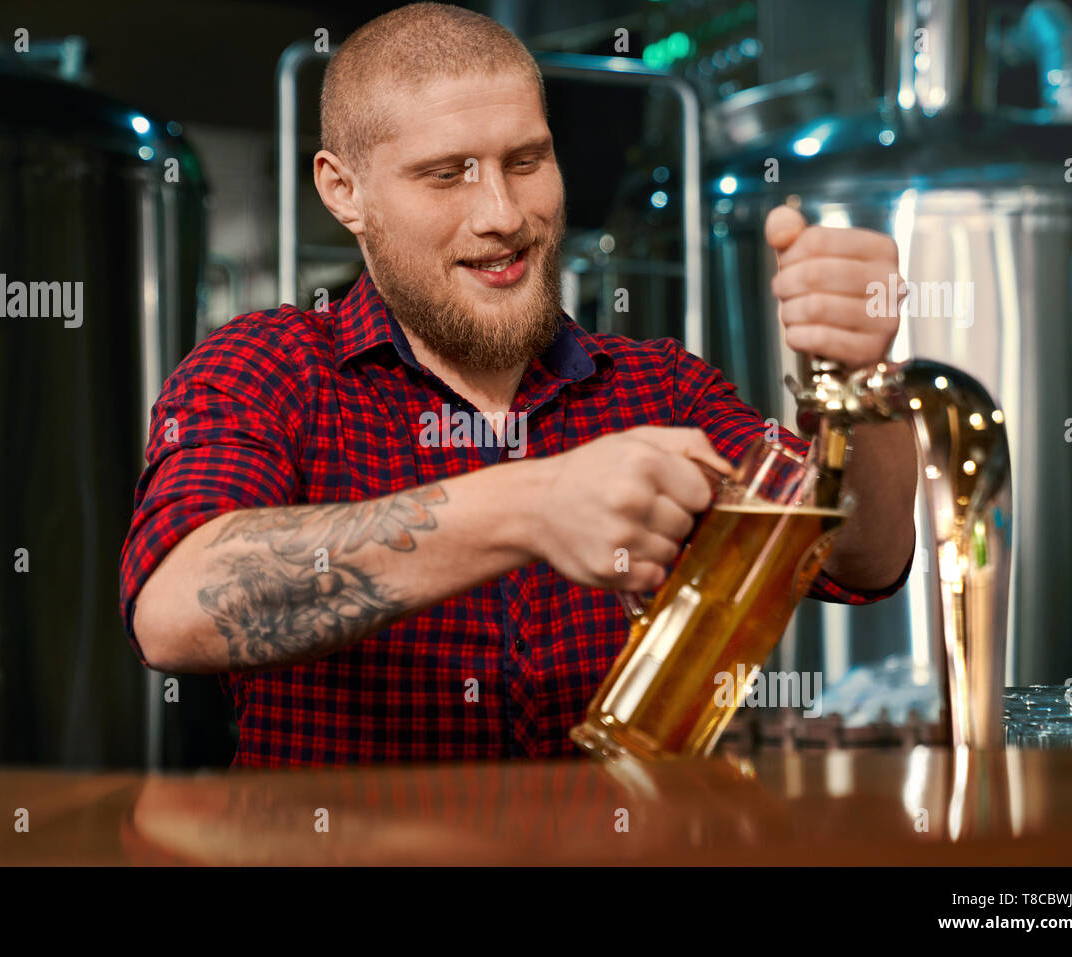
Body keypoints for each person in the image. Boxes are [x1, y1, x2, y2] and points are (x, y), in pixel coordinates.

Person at [119, 2, 917, 767]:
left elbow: (859, 558)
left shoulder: (661, 387)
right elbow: (176, 610)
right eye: (446, 176)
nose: (502, 214)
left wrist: (861, 381)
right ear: (343, 191)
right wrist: (535, 504)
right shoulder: (268, 368)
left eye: (526, 161)